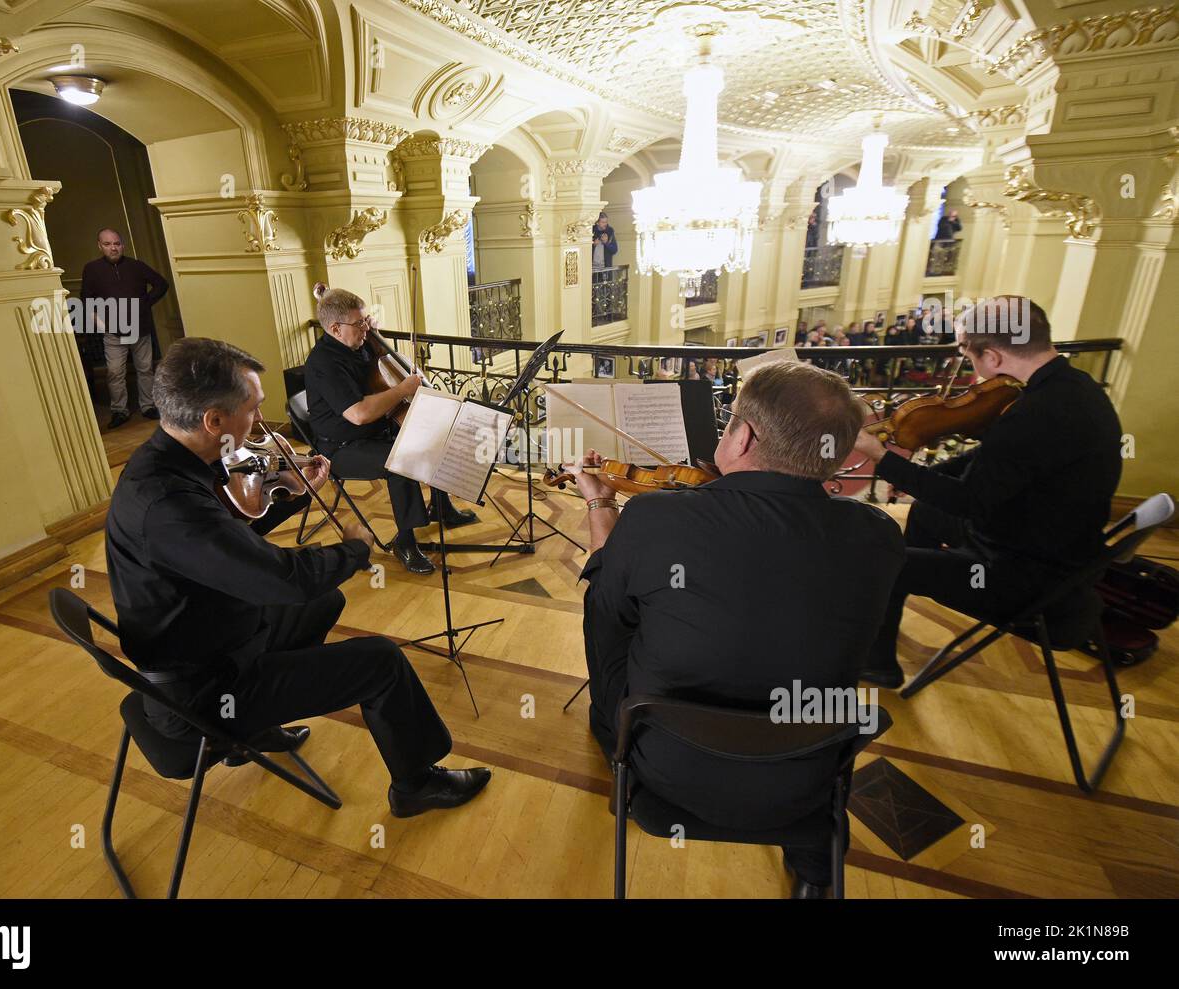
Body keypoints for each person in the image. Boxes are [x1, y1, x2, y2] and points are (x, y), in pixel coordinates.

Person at [105, 337, 491, 817]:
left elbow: (221, 539)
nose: (262, 423)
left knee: (323, 605)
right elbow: (285, 579)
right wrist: (354, 549)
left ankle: (261, 725)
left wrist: (290, 493)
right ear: (213, 421)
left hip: (210, 643)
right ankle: (416, 783)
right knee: (381, 660)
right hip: (203, 694)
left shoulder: (163, 463)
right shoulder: (169, 505)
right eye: (253, 409)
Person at [571, 360, 905, 897]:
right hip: (808, 775)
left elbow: (611, 619)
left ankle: (612, 736)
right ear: (840, 454)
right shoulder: (879, 537)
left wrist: (600, 506)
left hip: (669, 770)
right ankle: (817, 872)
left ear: (743, 435)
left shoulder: (657, 517)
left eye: (729, 421)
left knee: (609, 610)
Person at [854, 296, 1122, 688]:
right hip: (1057, 545)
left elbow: (969, 502)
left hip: (1025, 575)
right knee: (926, 514)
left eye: (966, 352)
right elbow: (995, 462)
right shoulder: (1073, 389)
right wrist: (921, 476)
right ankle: (892, 610)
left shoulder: (1033, 415)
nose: (969, 363)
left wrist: (882, 457)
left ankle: (878, 658)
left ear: (993, 357)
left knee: (884, 563)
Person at [303, 285, 477, 575]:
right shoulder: (324, 363)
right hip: (341, 447)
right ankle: (405, 543)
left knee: (433, 437)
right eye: (358, 323)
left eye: (365, 320)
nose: (364, 328)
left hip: (375, 431)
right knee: (401, 463)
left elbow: (380, 366)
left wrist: (372, 333)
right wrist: (402, 390)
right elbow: (358, 414)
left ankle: (441, 506)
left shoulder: (357, 343)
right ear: (335, 328)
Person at [80, 228, 170, 429]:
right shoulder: (92, 269)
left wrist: (145, 302)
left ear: (123, 245)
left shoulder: (136, 266)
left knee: (145, 369)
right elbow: (86, 299)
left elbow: (161, 284)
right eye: (108, 244)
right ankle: (119, 411)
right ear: (100, 246)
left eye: (117, 243)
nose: (113, 248)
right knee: (114, 372)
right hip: (112, 331)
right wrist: (101, 323)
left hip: (140, 328)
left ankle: (148, 406)